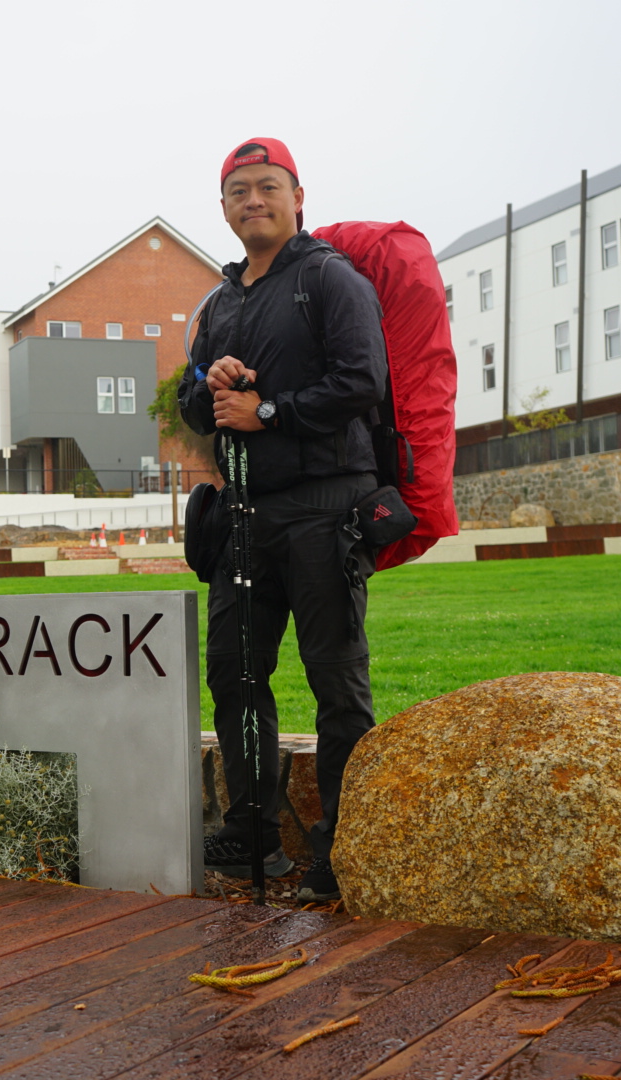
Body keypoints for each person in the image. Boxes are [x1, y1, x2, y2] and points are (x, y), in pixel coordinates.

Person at [179, 138, 387, 903]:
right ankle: (253, 831)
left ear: (299, 196)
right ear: (224, 208)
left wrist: (268, 411)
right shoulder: (222, 299)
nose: (252, 201)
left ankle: (343, 846)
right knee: (235, 675)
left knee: (336, 681)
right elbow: (192, 398)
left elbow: (363, 382)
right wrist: (217, 388)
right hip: (242, 517)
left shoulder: (329, 278)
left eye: (267, 187)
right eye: (238, 191)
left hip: (325, 507)